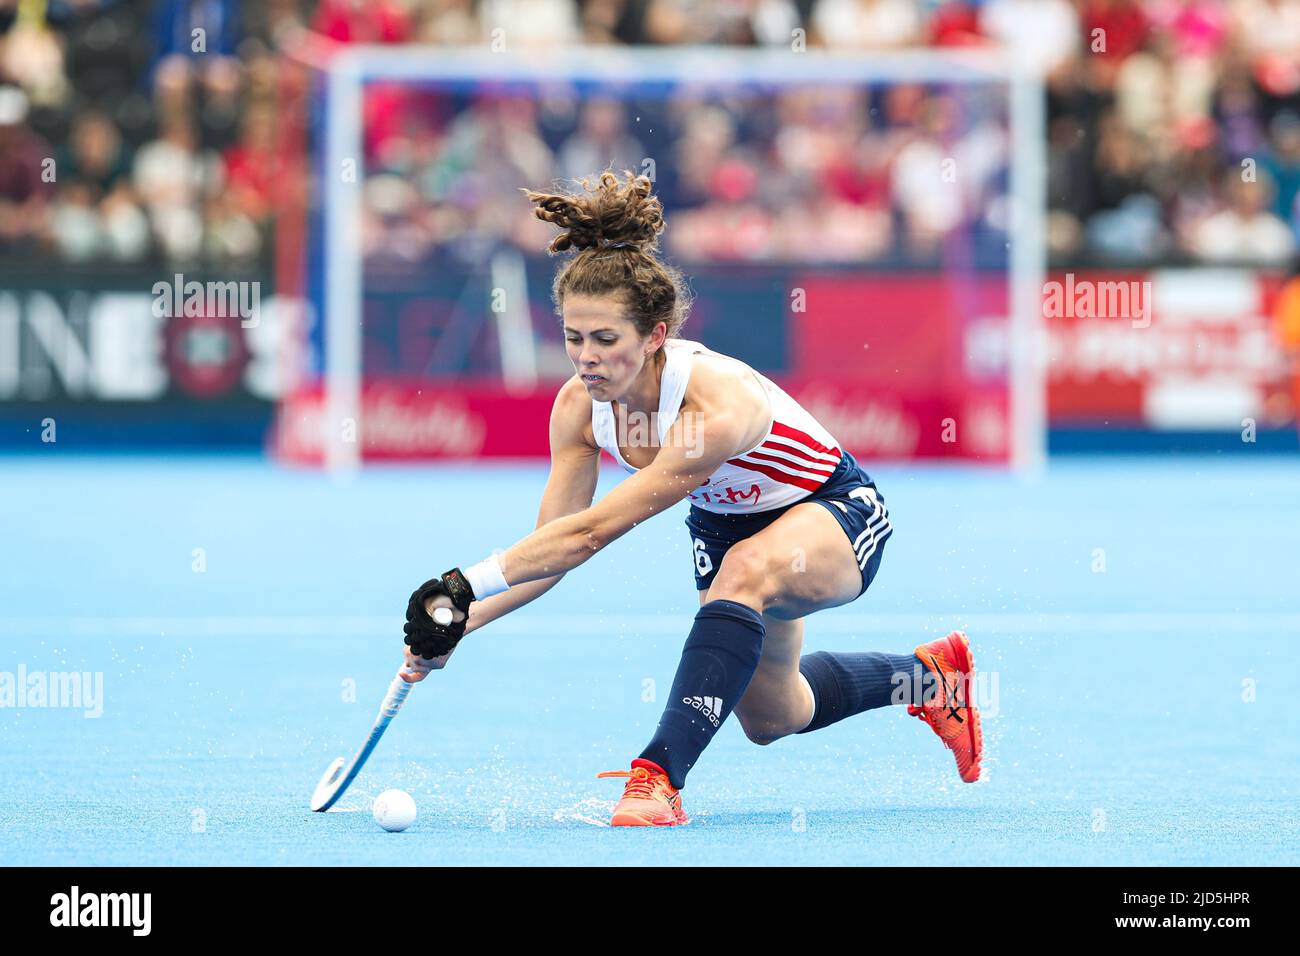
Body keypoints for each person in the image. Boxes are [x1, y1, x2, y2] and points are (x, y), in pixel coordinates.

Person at [399, 170, 983, 827]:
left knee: (743, 574)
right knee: (773, 716)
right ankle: (929, 678)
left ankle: (657, 780)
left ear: (653, 335)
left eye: (605, 340)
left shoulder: (713, 404)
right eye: (573, 337)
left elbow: (591, 533)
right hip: (728, 527)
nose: (585, 359)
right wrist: (460, 624)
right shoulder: (577, 409)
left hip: (835, 512)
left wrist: (459, 583)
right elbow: (554, 550)